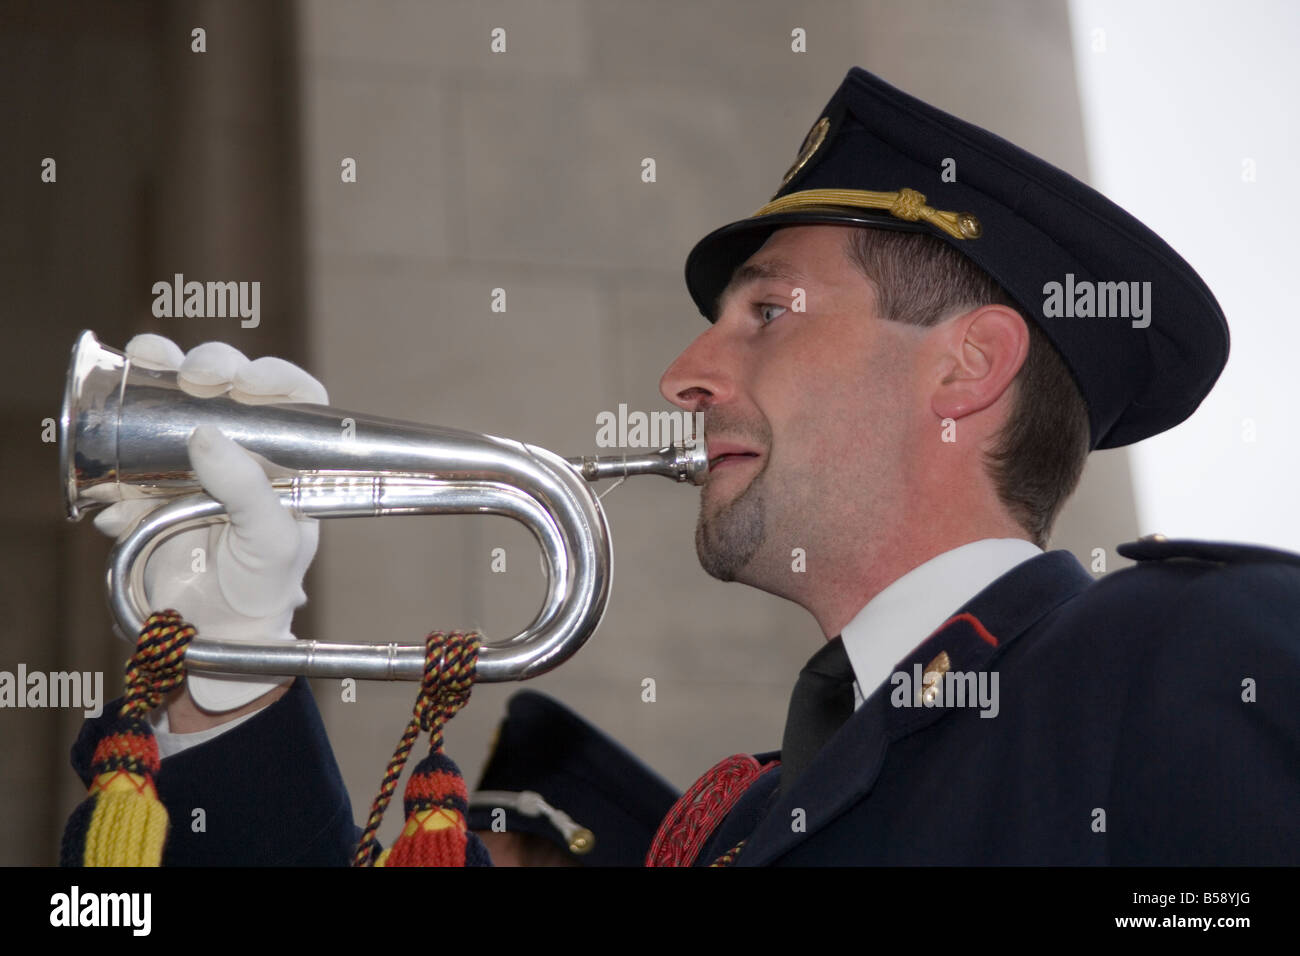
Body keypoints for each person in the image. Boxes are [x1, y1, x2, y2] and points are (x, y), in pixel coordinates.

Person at [70, 67, 1300, 866]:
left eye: (767, 312)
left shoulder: (1189, 653)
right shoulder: (733, 824)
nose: (682, 373)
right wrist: (224, 667)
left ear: (965, 366)